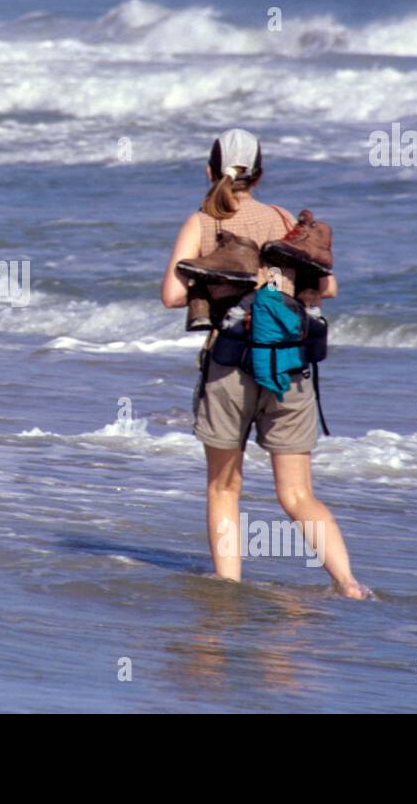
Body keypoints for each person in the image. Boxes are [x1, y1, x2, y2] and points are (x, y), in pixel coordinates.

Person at [161, 129, 368, 599]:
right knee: (297, 495)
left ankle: (230, 586)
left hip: (231, 365)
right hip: (289, 365)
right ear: (260, 174)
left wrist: (215, 282)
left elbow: (172, 295)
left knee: (225, 487)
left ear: (210, 171)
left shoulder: (202, 222)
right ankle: (350, 584)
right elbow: (329, 289)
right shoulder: (283, 219)